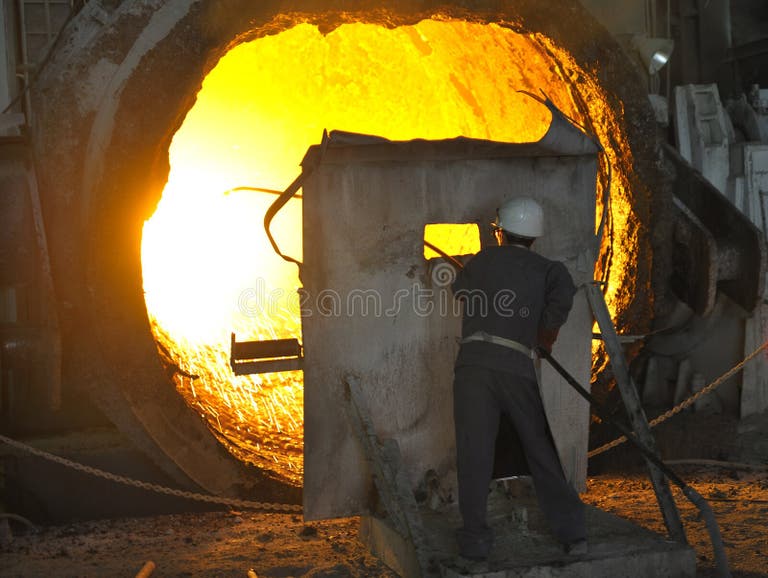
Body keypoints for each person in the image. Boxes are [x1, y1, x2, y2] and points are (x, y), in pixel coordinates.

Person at [450, 196, 587, 561]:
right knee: (539, 448)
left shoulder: (481, 260)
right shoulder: (550, 270)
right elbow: (562, 301)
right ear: (535, 237)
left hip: (472, 366)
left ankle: (475, 542)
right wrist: (545, 337)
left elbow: (458, 290)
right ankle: (573, 532)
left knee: (474, 453)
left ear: (501, 232)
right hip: (515, 365)